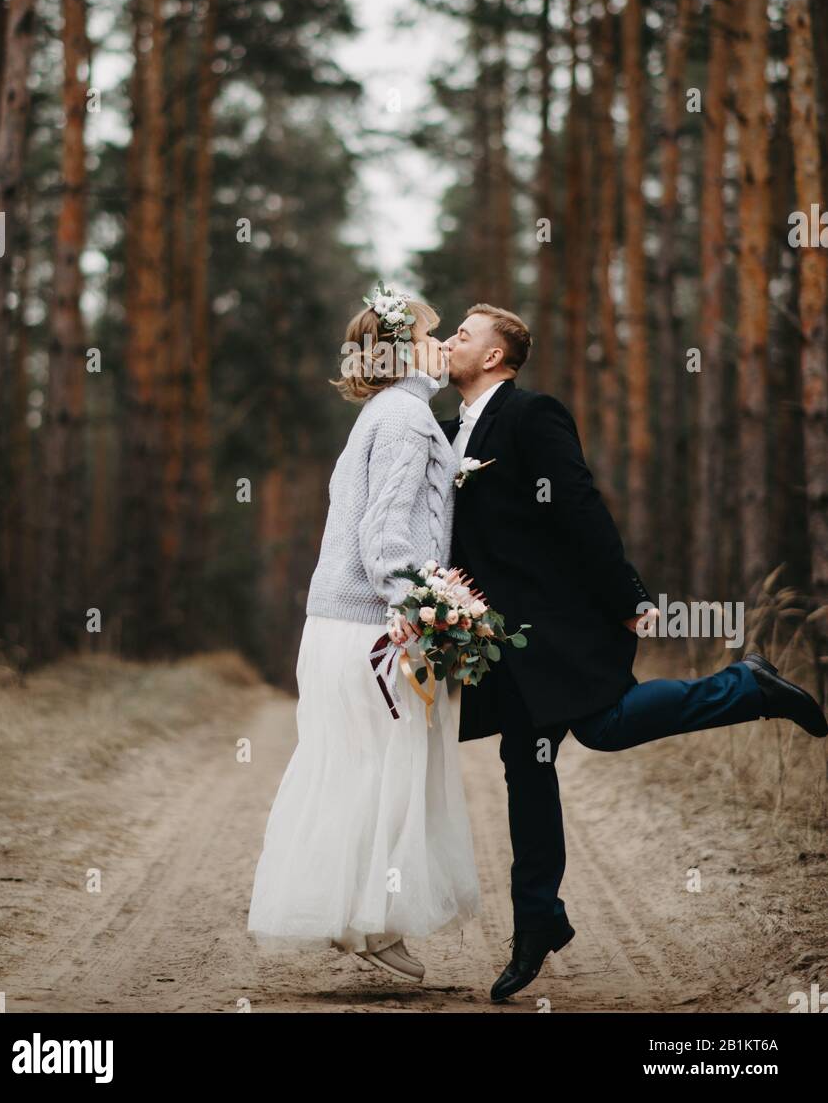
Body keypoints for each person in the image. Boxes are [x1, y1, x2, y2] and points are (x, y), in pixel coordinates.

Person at [441, 302, 828, 1004]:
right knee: (526, 770)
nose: (448, 342)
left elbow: (580, 504)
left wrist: (628, 595)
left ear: (496, 356)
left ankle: (749, 686)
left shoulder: (532, 415)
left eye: (462, 334)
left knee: (605, 726)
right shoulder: (446, 432)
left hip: (563, 621)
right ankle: (538, 923)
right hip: (501, 637)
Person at [247, 286, 481, 982]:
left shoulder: (390, 410)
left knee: (354, 769)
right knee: (384, 774)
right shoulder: (407, 417)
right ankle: (371, 926)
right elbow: (385, 534)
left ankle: (362, 921)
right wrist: (419, 607)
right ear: (407, 347)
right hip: (371, 631)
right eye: (435, 333)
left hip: (338, 626)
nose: (443, 345)